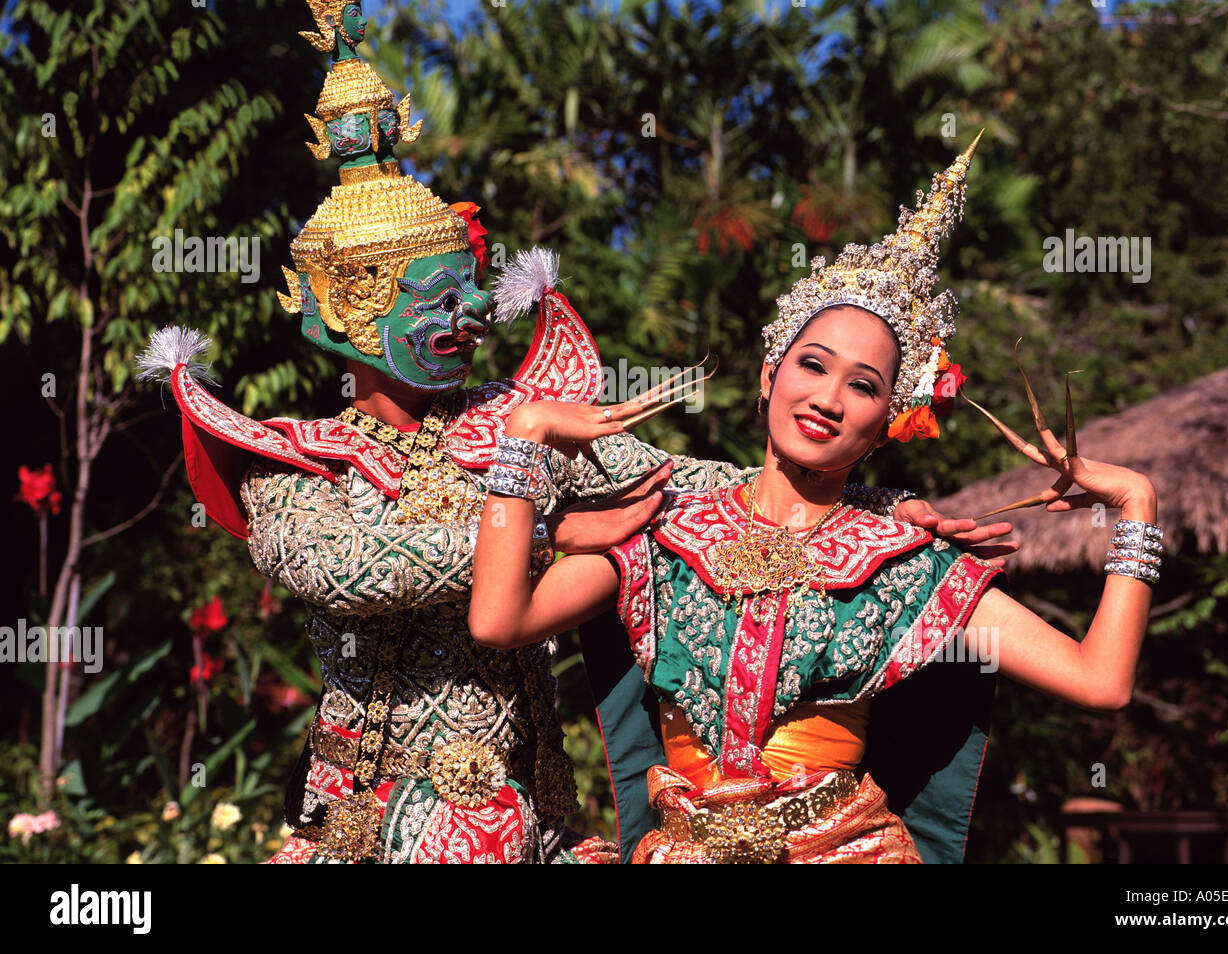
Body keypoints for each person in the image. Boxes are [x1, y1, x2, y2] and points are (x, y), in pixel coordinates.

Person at [133, 0, 1009, 863]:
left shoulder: (524, 424)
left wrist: (879, 515)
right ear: (347, 303)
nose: (472, 316)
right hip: (377, 826)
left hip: (534, 818)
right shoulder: (296, 472)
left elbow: (709, 492)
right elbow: (359, 569)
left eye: (476, 291)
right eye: (440, 295)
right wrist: (550, 528)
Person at [468, 135, 1161, 863]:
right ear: (771, 374)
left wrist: (1137, 505)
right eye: (813, 365)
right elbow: (498, 617)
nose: (828, 398)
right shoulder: (665, 534)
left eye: (863, 386)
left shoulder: (903, 563)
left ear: (887, 423)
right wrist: (525, 431)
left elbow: (1100, 680)